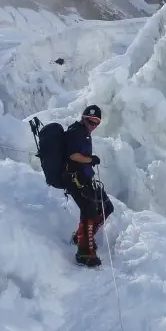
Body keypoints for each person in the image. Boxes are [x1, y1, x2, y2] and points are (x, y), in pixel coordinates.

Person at [64, 104, 114, 268]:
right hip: (74, 179)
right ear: (84, 118)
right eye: (91, 121)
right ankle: (84, 253)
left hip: (85, 179)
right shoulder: (75, 131)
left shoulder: (84, 133)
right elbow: (73, 155)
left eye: (96, 123)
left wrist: (89, 160)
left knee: (106, 207)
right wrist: (90, 160)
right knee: (89, 211)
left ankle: (82, 236)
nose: (93, 126)